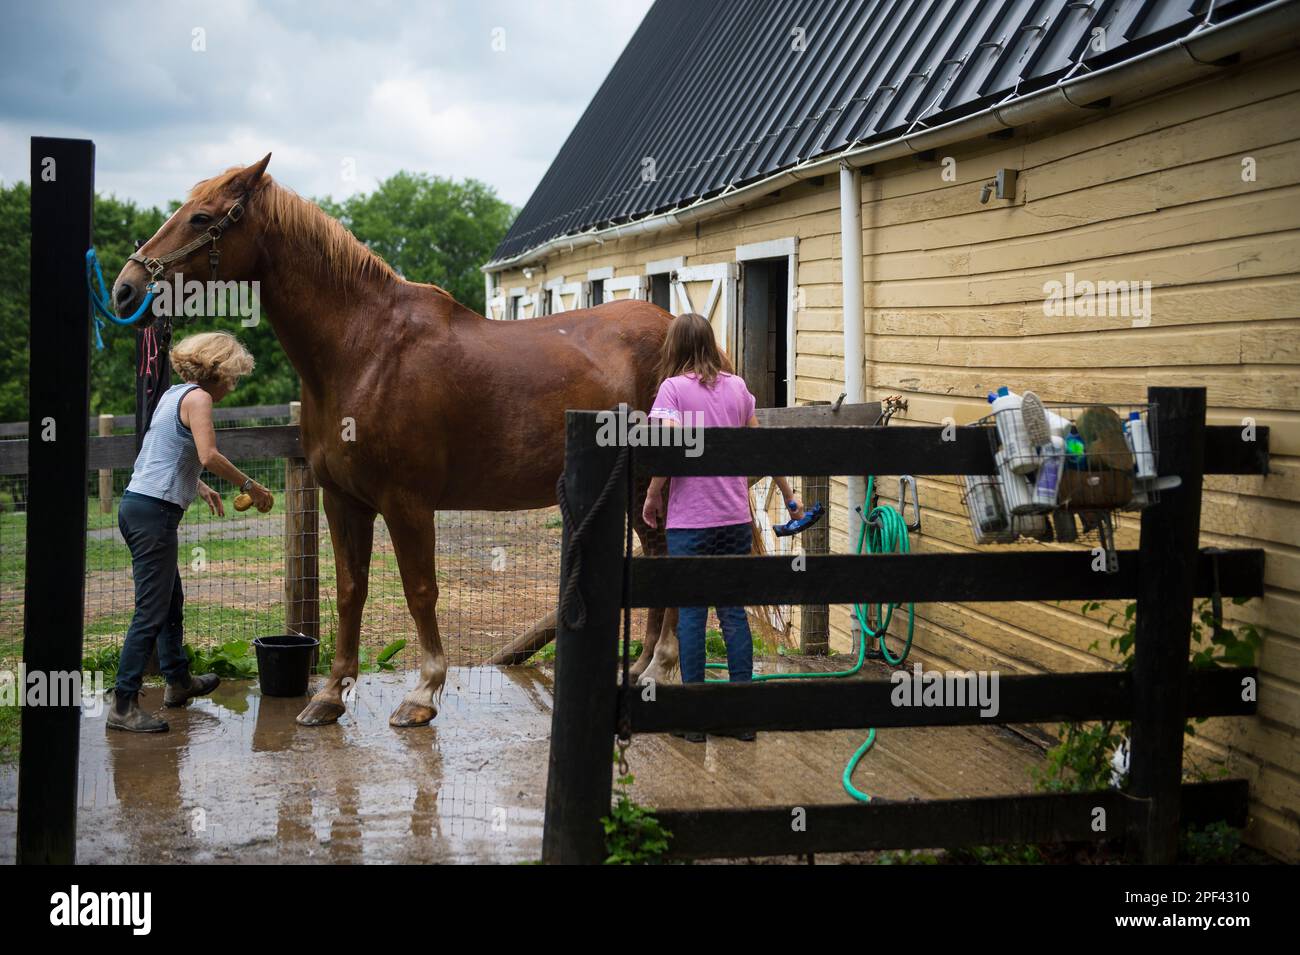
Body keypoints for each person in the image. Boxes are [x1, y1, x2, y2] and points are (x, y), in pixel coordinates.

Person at [642, 312, 803, 743]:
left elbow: (670, 446)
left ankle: (695, 719)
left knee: (692, 616)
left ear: (674, 347)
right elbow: (760, 448)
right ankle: (741, 717)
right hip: (735, 520)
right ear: (710, 344)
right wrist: (789, 495)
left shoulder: (672, 389)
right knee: (733, 614)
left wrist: (654, 492)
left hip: (691, 523)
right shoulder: (737, 388)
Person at [107, 331, 273, 733]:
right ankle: (123, 704)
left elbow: (160, 449)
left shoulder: (173, 394)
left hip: (138, 506)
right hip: (154, 515)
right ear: (218, 370)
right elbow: (208, 454)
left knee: (169, 600)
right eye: (233, 375)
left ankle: (178, 682)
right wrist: (251, 486)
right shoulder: (199, 399)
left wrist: (197, 484)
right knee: (150, 611)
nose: (233, 385)